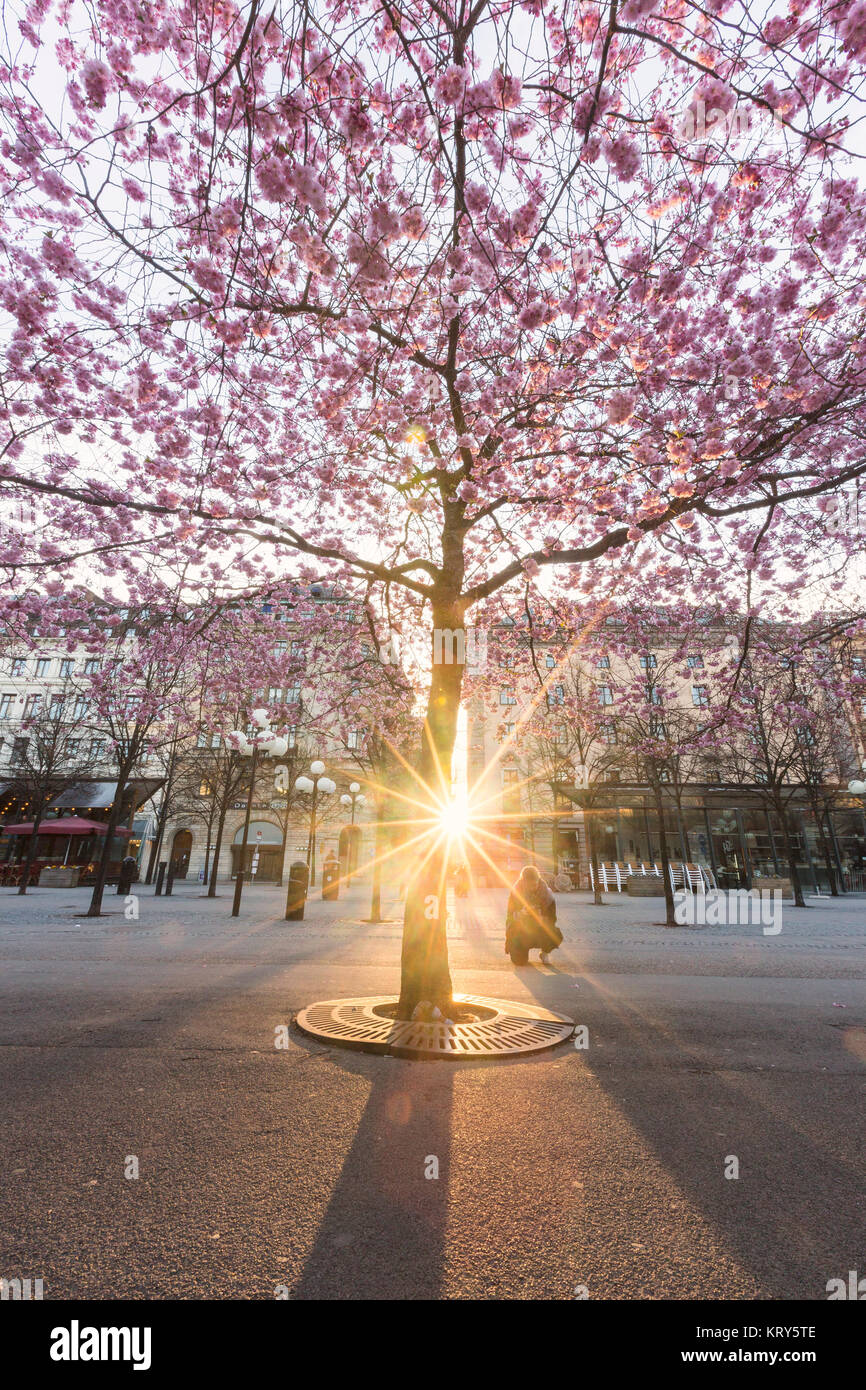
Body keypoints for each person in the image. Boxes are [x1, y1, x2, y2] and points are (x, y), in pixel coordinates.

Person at [505, 864, 562, 965]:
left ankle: (545, 952)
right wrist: (520, 913)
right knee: (520, 963)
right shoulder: (515, 894)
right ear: (523, 883)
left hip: (539, 929)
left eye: (535, 885)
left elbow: (552, 919)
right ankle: (521, 953)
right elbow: (509, 917)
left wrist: (541, 918)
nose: (532, 888)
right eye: (529, 885)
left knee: (555, 934)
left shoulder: (547, 896)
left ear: (539, 881)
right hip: (521, 930)